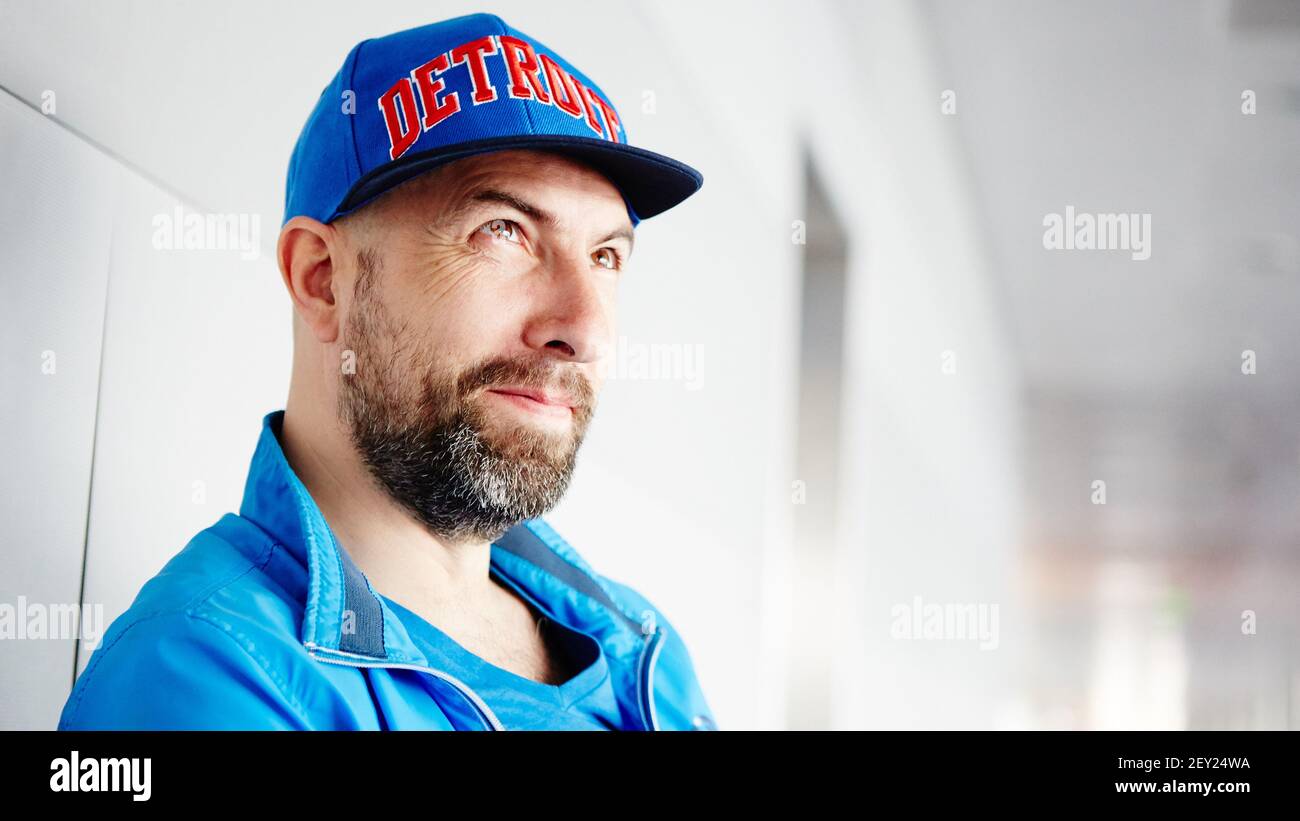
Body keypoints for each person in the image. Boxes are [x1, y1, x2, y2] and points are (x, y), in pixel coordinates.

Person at [58, 12, 716, 731]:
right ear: (322, 280)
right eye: (503, 231)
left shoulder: (645, 655)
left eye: (605, 256)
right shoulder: (200, 672)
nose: (583, 329)